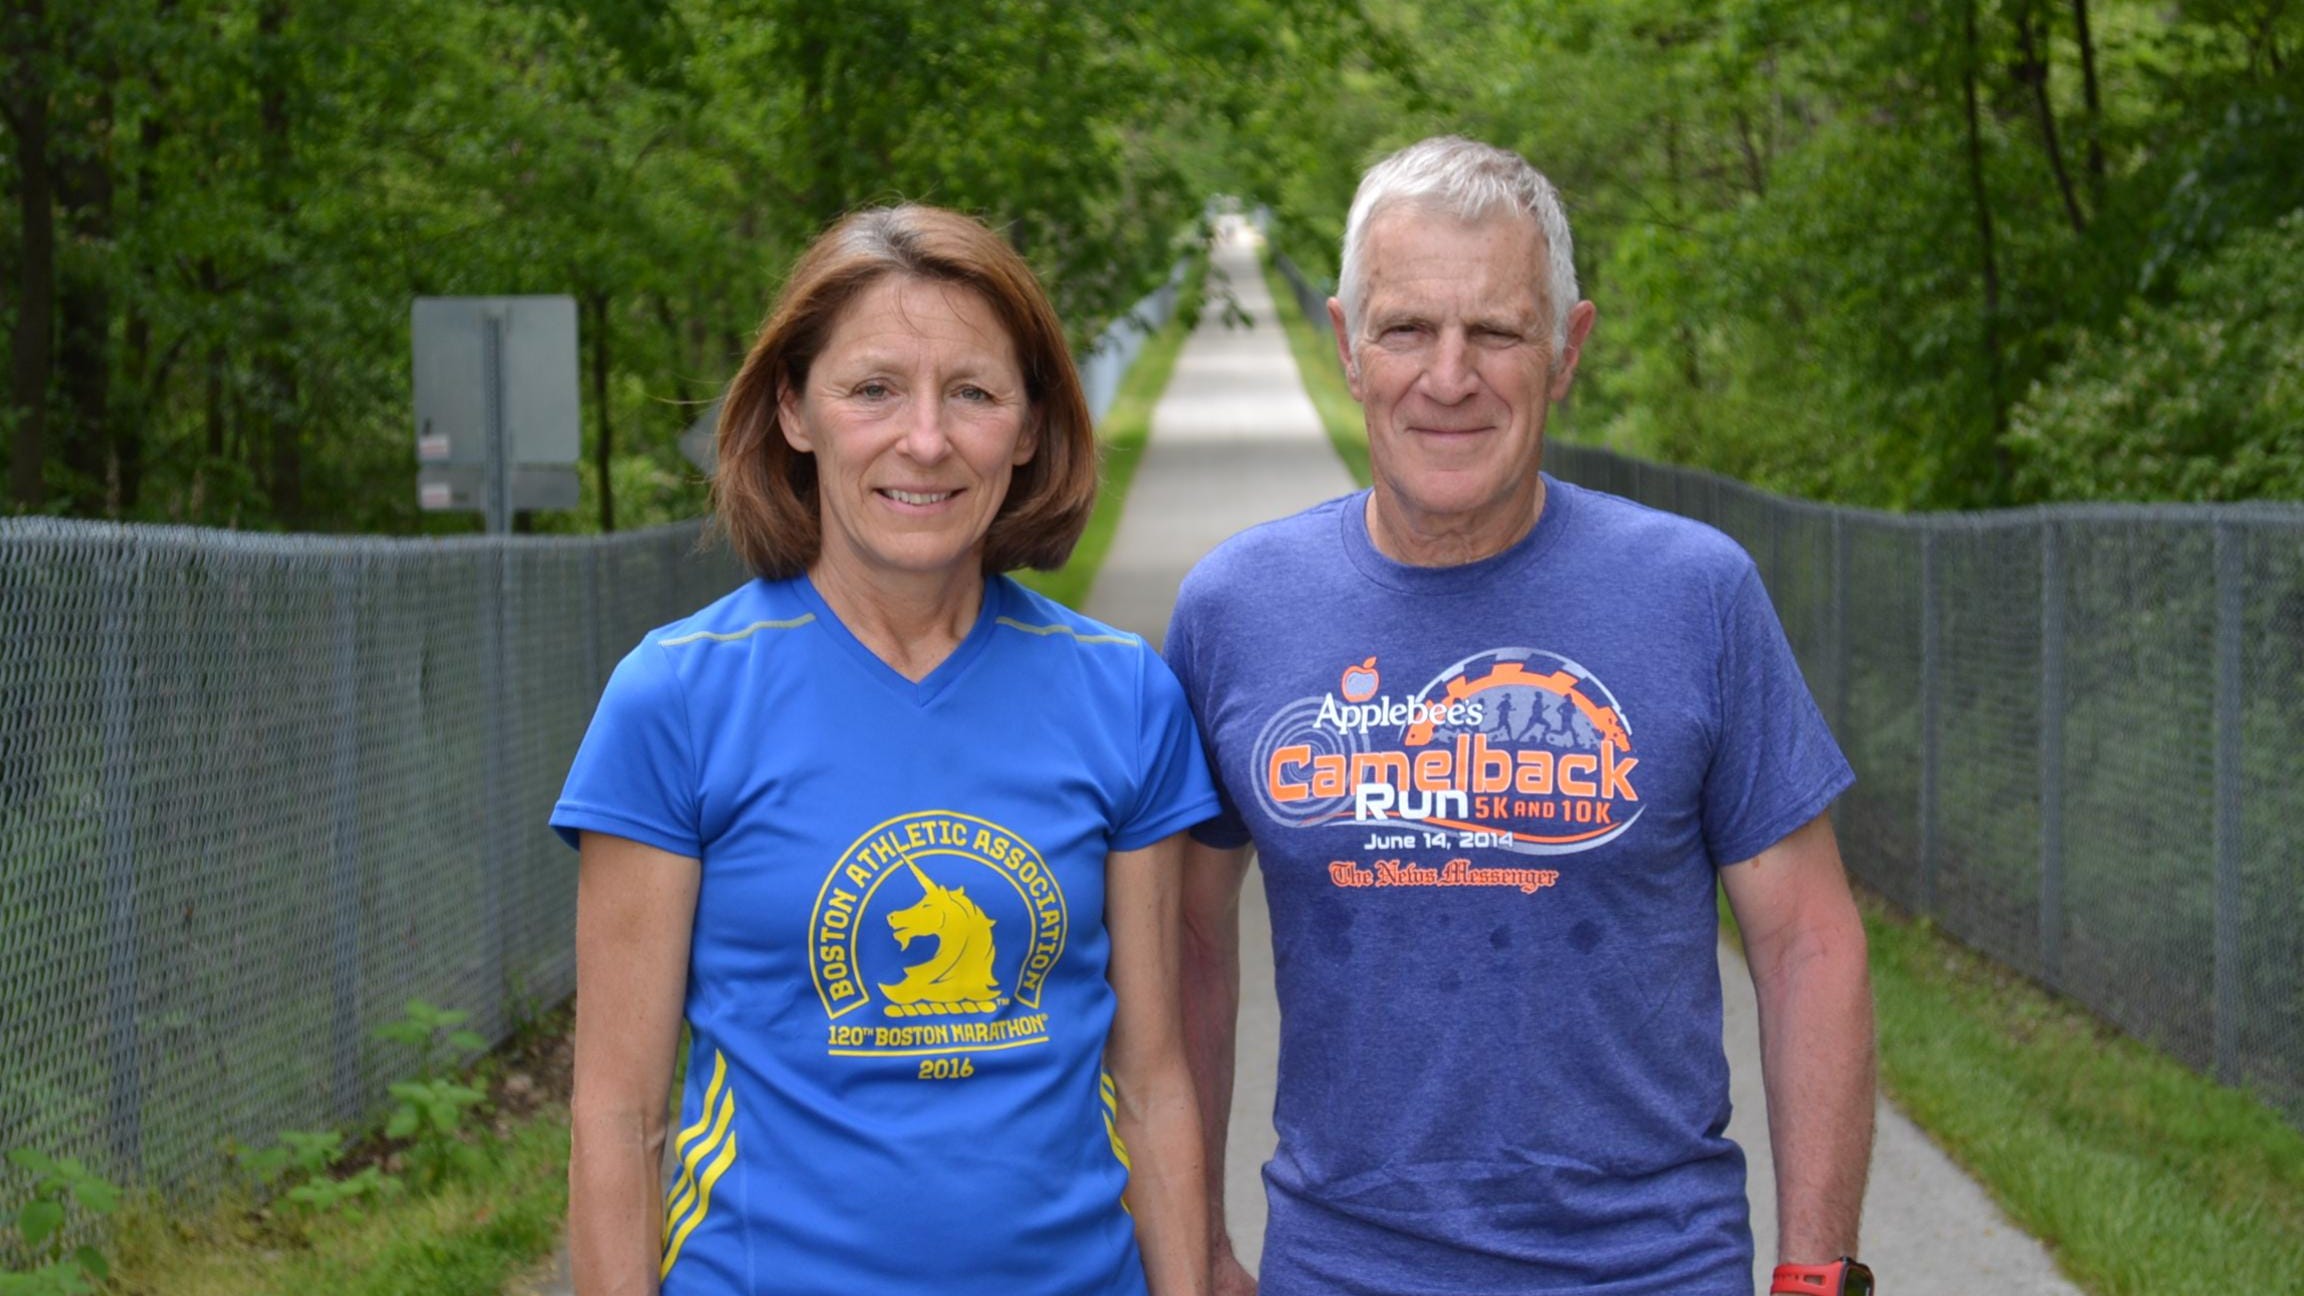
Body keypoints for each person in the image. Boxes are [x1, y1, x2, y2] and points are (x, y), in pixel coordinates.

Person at [1164, 137, 1877, 1296]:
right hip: (1342, 1270)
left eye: (1495, 331)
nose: (1449, 377)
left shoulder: (1695, 593)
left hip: (1653, 1269)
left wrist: (1815, 1271)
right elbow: (1182, 948)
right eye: (1407, 330)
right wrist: (1191, 1247)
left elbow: (1809, 942)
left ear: (1567, 350)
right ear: (1347, 345)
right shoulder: (1237, 610)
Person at [554, 205, 1216, 1295]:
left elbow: (1152, 1083)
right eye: (873, 390)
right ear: (793, 411)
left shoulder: (1122, 694)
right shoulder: (677, 697)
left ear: (1033, 423)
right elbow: (617, 1115)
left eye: (973, 392)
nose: (925, 439)